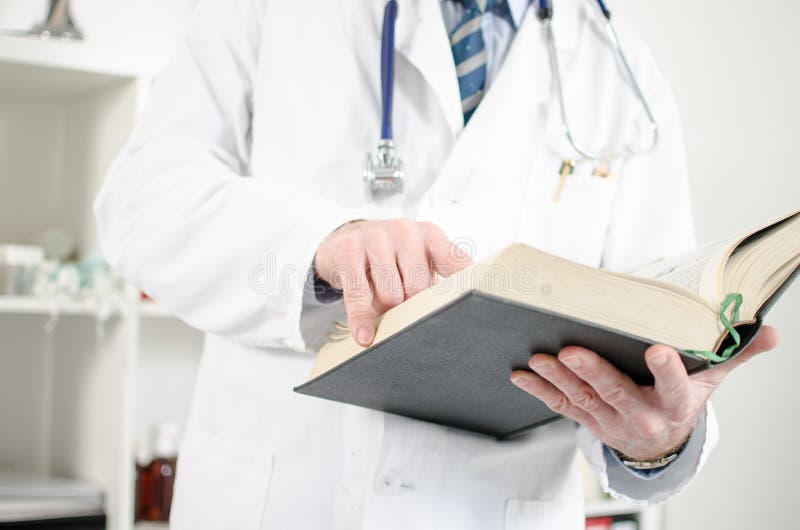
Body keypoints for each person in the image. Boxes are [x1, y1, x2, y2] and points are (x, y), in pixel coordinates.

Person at [94, 0, 779, 528]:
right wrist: (322, 244)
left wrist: (658, 441)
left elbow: (650, 321)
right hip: (285, 493)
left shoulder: (619, 70)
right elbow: (141, 200)